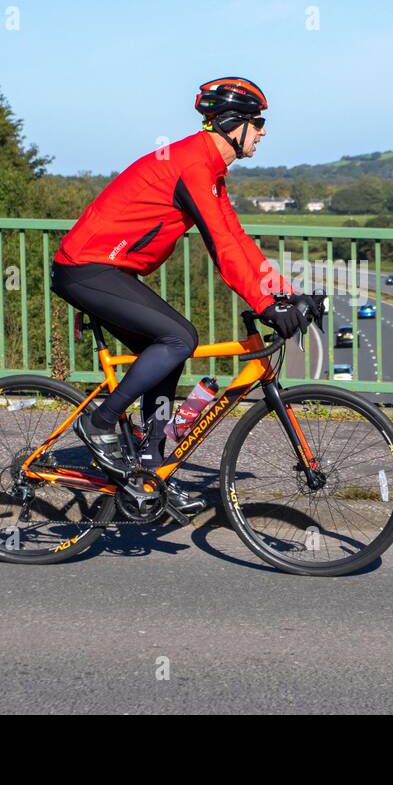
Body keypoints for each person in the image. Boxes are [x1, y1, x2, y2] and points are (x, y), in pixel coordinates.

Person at [50, 76, 308, 512]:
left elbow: (236, 239)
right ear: (234, 124)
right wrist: (266, 306)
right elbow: (221, 246)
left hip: (108, 270)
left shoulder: (208, 169)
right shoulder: (192, 163)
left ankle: (149, 469)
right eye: (258, 122)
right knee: (178, 338)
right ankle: (101, 422)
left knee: (165, 349)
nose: (263, 132)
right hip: (86, 268)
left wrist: (286, 295)